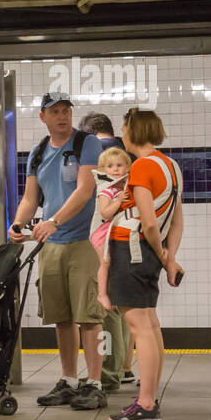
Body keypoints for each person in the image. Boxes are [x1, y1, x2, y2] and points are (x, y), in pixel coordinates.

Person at [11, 91, 108, 410]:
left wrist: (52, 220)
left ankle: (94, 383)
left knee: (89, 316)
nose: (62, 116)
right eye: (55, 111)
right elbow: (29, 198)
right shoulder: (38, 152)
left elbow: (86, 188)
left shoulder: (86, 143)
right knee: (62, 317)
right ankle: (68, 380)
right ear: (43, 117)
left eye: (66, 110)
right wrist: (17, 224)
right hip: (50, 245)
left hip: (81, 242)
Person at [107, 109, 184, 420]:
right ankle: (149, 396)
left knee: (140, 327)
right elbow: (176, 220)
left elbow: (149, 224)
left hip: (133, 251)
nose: (121, 134)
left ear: (132, 131)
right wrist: (169, 256)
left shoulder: (141, 167)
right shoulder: (171, 165)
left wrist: (158, 248)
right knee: (150, 324)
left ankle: (146, 403)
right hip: (149, 255)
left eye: (123, 128)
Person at [82, 114, 136, 390]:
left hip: (104, 242)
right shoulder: (130, 166)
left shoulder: (97, 163)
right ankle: (123, 367)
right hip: (128, 242)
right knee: (124, 309)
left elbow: (102, 212)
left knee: (107, 308)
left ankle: (108, 372)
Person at [92, 146, 131, 310]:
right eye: (110, 166)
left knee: (116, 263)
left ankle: (113, 293)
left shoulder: (121, 188)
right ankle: (102, 295)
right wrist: (119, 201)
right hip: (101, 232)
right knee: (105, 261)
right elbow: (105, 213)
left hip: (113, 232)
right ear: (102, 170)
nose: (115, 169)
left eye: (119, 165)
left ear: (127, 168)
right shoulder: (106, 190)